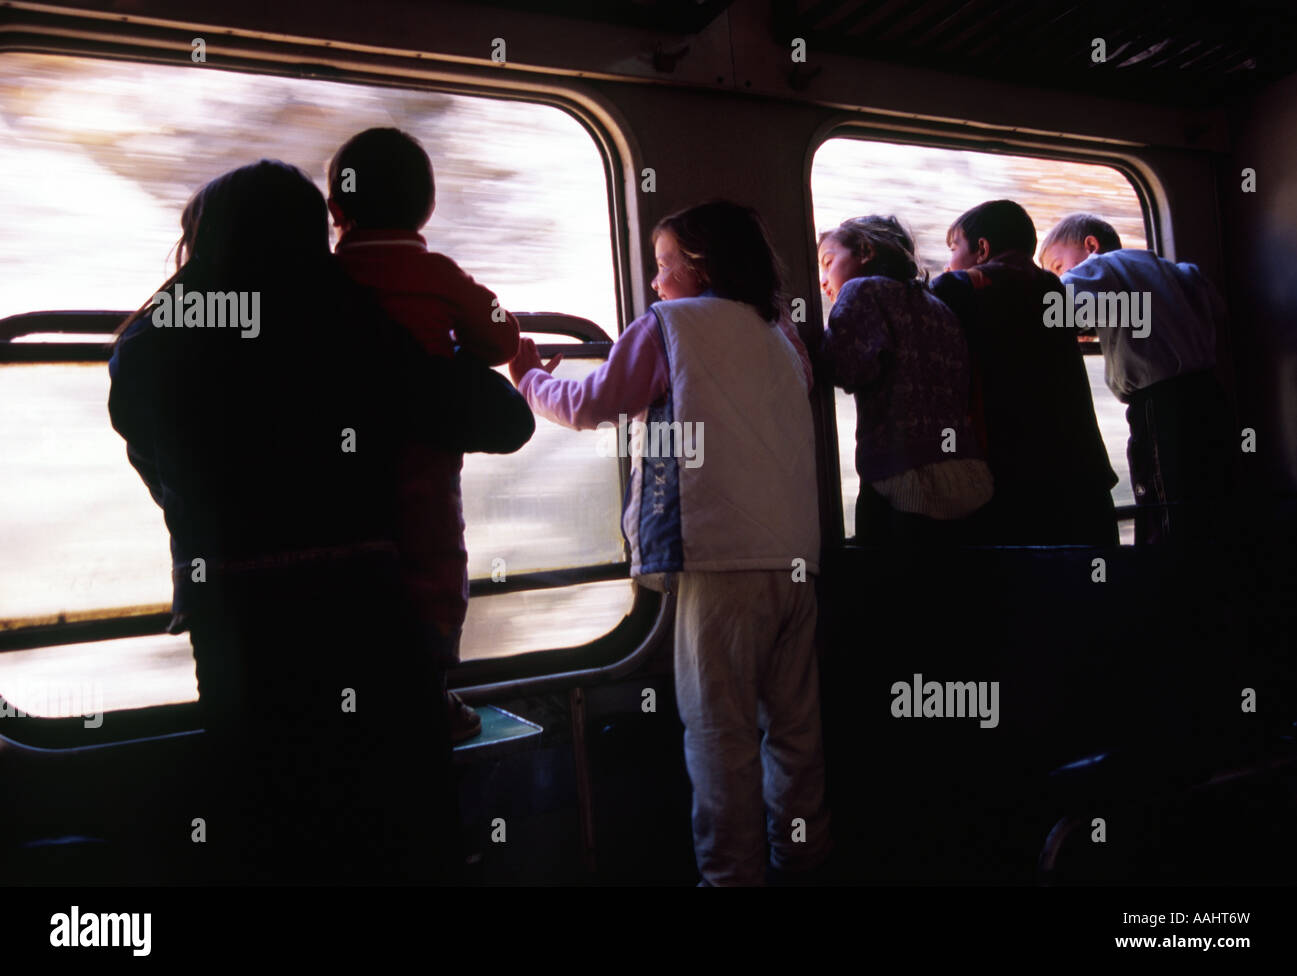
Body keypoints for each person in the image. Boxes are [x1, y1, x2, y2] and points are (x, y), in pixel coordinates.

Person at [108, 159, 533, 883]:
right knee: (399, 824)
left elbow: (148, 438)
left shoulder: (157, 338)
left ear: (203, 238)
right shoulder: (348, 317)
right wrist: (446, 352)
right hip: (364, 606)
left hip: (236, 613)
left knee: (274, 820)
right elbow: (505, 420)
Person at [508, 200, 831, 885]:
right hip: (798, 560)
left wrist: (527, 375)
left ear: (699, 265)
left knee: (721, 739)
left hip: (722, 562)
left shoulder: (668, 327)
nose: (654, 283)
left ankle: (731, 878)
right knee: (796, 735)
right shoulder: (784, 335)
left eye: (662, 266)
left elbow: (590, 403)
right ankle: (802, 862)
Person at [327, 127, 523, 742]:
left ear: (336, 209)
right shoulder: (435, 273)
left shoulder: (323, 277)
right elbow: (501, 338)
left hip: (336, 460)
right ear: (428, 208)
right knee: (434, 559)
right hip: (424, 458)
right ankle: (431, 695)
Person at [931, 199, 1118, 545]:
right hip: (1082, 471)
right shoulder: (1053, 287)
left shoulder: (975, 284)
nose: (948, 263)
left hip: (1017, 471)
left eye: (953, 248)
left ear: (982, 249)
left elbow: (939, 293)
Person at [1040, 213, 1232, 544]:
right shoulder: (1180, 272)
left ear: (1091, 246)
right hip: (1210, 395)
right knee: (1213, 495)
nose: (1059, 275)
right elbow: (1216, 310)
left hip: (1159, 406)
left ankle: (1168, 579)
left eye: (1057, 266)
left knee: (1164, 500)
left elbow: (1055, 309)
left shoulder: (1099, 267)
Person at [818, 215, 992, 544]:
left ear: (865, 252)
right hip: (968, 473)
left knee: (892, 588)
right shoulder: (937, 305)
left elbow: (846, 368)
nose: (824, 281)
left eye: (828, 263)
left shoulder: (860, 291)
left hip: (903, 477)